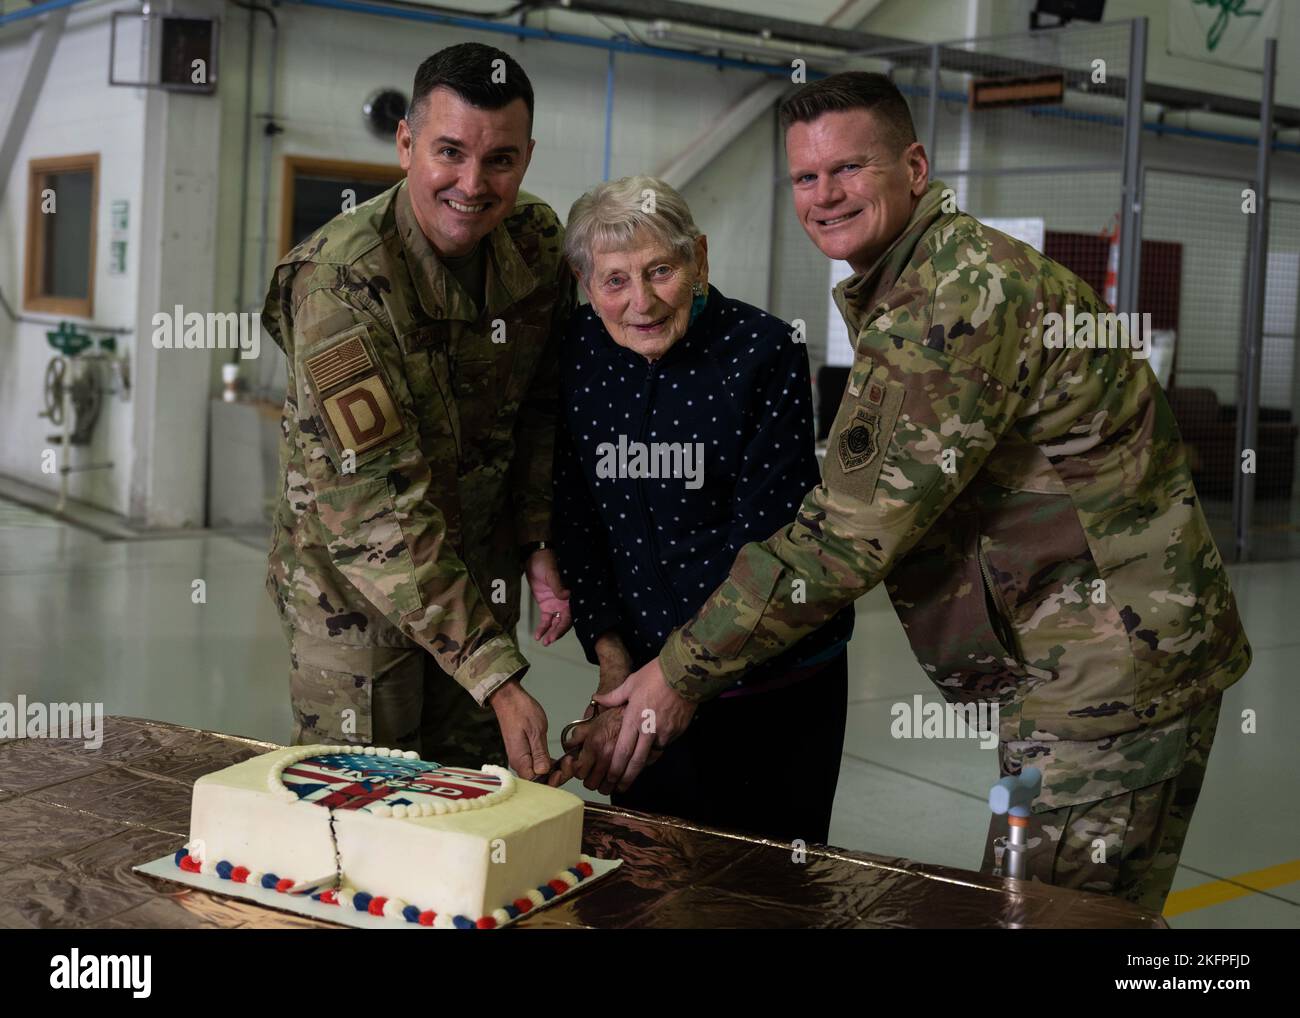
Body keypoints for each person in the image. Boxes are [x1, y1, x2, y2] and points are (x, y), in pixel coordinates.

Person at [594, 72, 1251, 911]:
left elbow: (845, 537)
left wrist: (678, 672)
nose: (825, 195)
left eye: (850, 169)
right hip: (1098, 660)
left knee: (1050, 918)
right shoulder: (927, 276)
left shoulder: (949, 301)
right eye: (805, 176)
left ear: (913, 164)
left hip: (1107, 675)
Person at [261, 42, 575, 779]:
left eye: (500, 159)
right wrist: (495, 674)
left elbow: (539, 406)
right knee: (362, 815)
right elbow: (376, 508)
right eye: (449, 152)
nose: (473, 184)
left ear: (528, 157)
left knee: (472, 804)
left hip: (476, 577)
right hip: (357, 605)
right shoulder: (339, 284)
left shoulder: (535, 241)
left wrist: (536, 540)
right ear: (406, 144)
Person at [548, 176, 854, 843]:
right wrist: (614, 670)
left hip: (772, 692)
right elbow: (577, 520)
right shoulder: (577, 352)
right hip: (641, 684)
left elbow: (766, 544)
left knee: (760, 894)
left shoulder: (762, 353)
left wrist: (677, 682)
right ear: (583, 280)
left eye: (662, 270)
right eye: (615, 280)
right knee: (646, 886)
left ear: (700, 260)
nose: (642, 302)